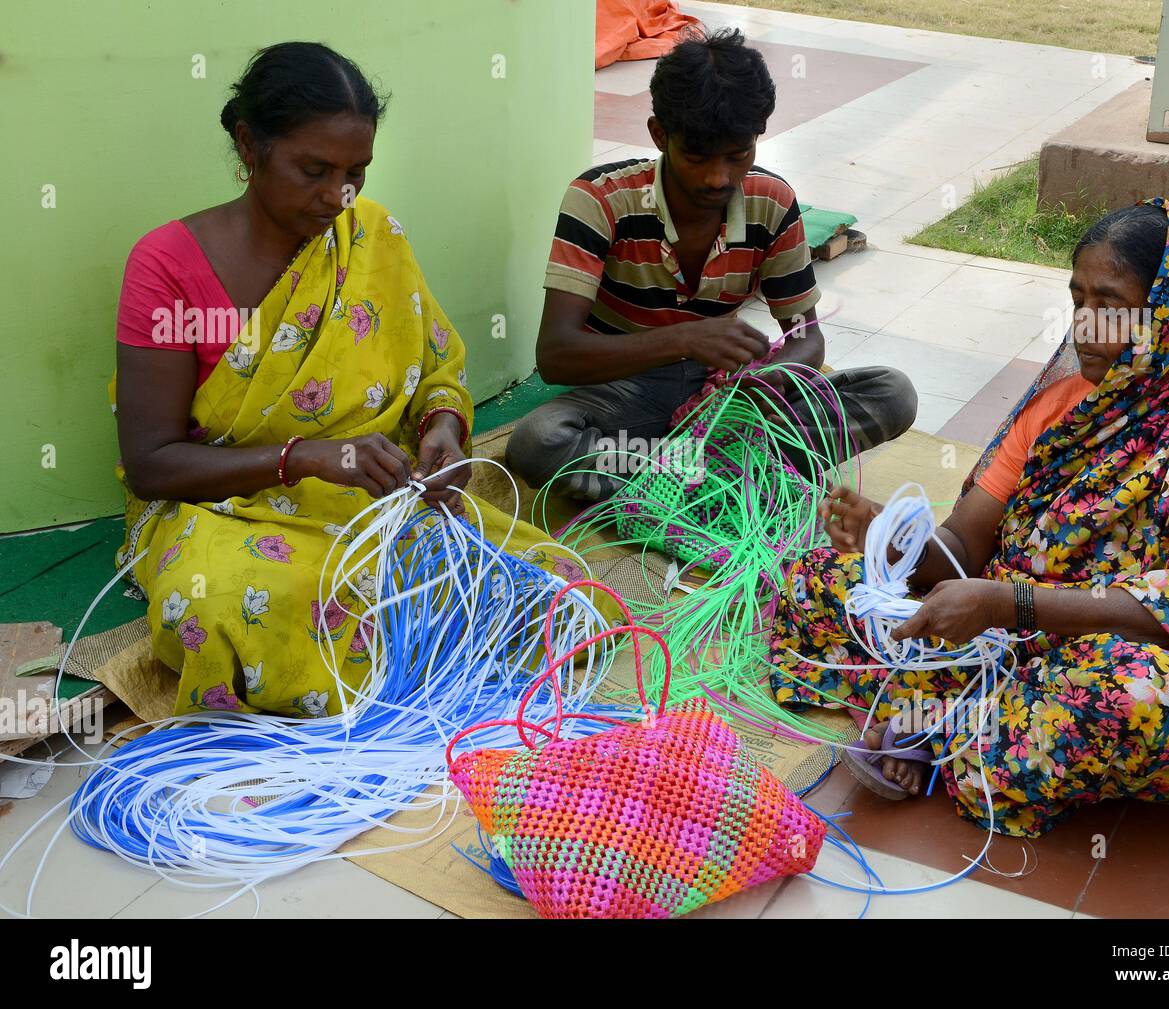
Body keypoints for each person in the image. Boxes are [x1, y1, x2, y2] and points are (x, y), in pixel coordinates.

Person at [768, 200, 1169, 836]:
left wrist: (1008, 605)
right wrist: (894, 543)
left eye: (1112, 303)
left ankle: (933, 715)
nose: (1086, 327)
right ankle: (954, 719)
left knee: (1139, 699)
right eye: (1079, 299)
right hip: (998, 635)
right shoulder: (1063, 404)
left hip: (1104, 654)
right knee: (816, 579)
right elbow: (965, 541)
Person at [113, 42, 595, 718]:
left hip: (370, 499)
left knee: (548, 590)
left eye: (356, 172)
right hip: (225, 507)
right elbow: (152, 463)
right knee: (226, 607)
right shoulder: (166, 265)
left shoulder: (372, 236)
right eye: (314, 169)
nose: (339, 194)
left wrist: (445, 432)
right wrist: (303, 457)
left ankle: (395, 665)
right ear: (249, 145)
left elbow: (435, 369)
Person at [506, 27, 916, 500]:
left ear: (757, 139)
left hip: (724, 401)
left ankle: (677, 475)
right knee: (540, 440)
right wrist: (686, 339)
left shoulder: (772, 201)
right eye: (697, 157)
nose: (718, 178)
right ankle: (728, 476)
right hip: (626, 389)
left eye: (738, 155)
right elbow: (556, 356)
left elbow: (807, 338)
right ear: (660, 135)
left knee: (891, 392)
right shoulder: (600, 200)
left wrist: (759, 382)